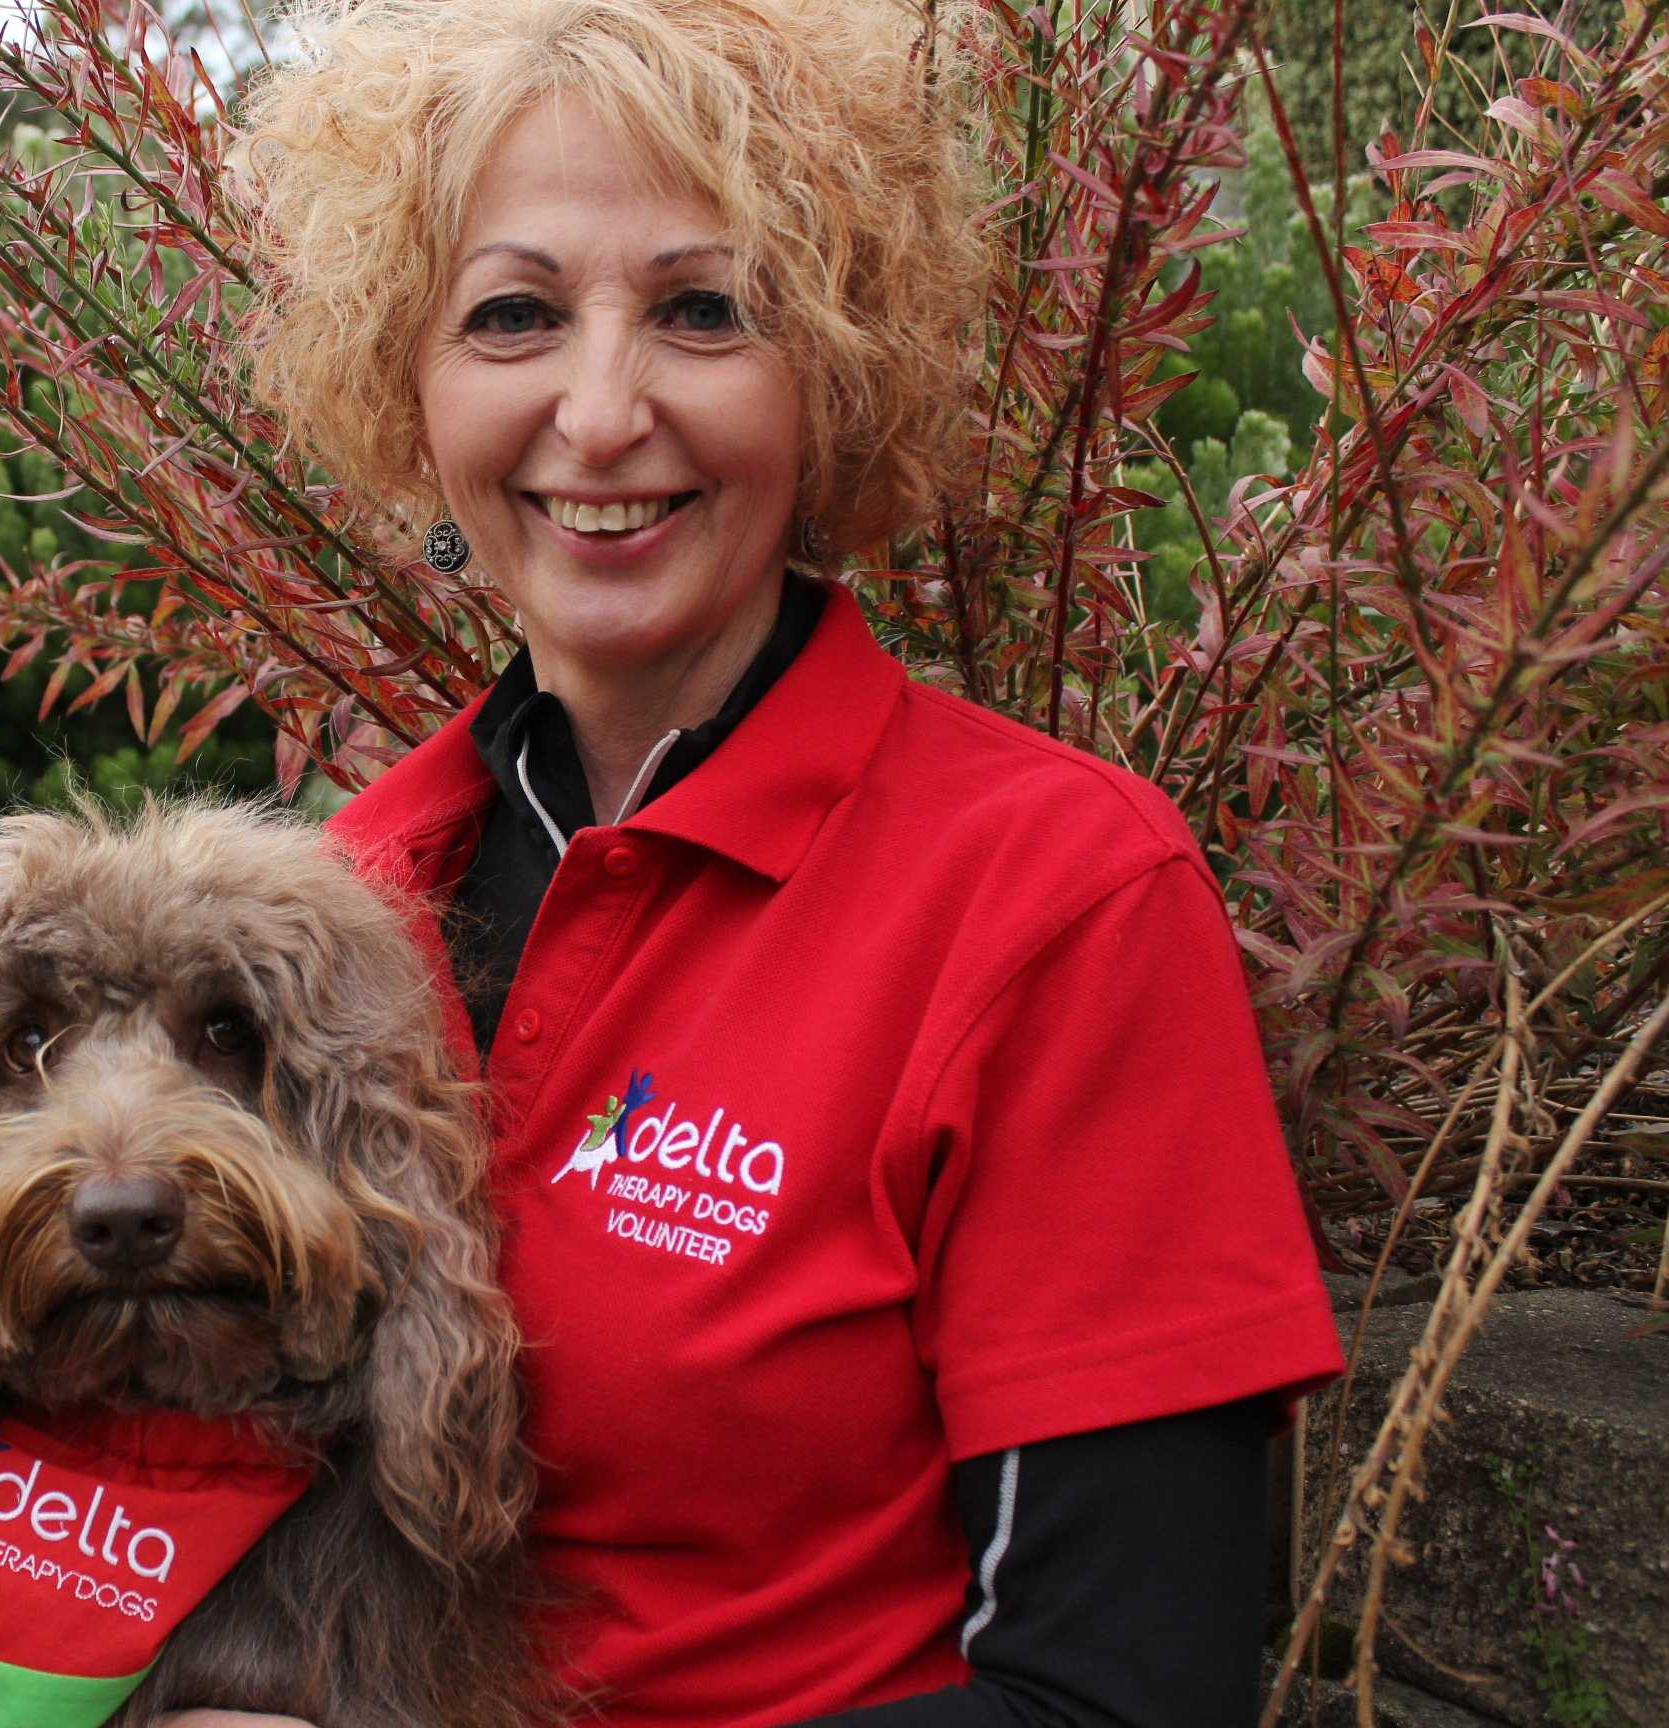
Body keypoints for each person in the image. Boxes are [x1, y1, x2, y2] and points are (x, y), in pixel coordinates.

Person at [166, 1, 1344, 1723]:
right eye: (512, 315)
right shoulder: (331, 904)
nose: (600, 411)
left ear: (836, 376)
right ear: (410, 390)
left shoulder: (1052, 898)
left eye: (705, 311)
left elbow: (1121, 1699)